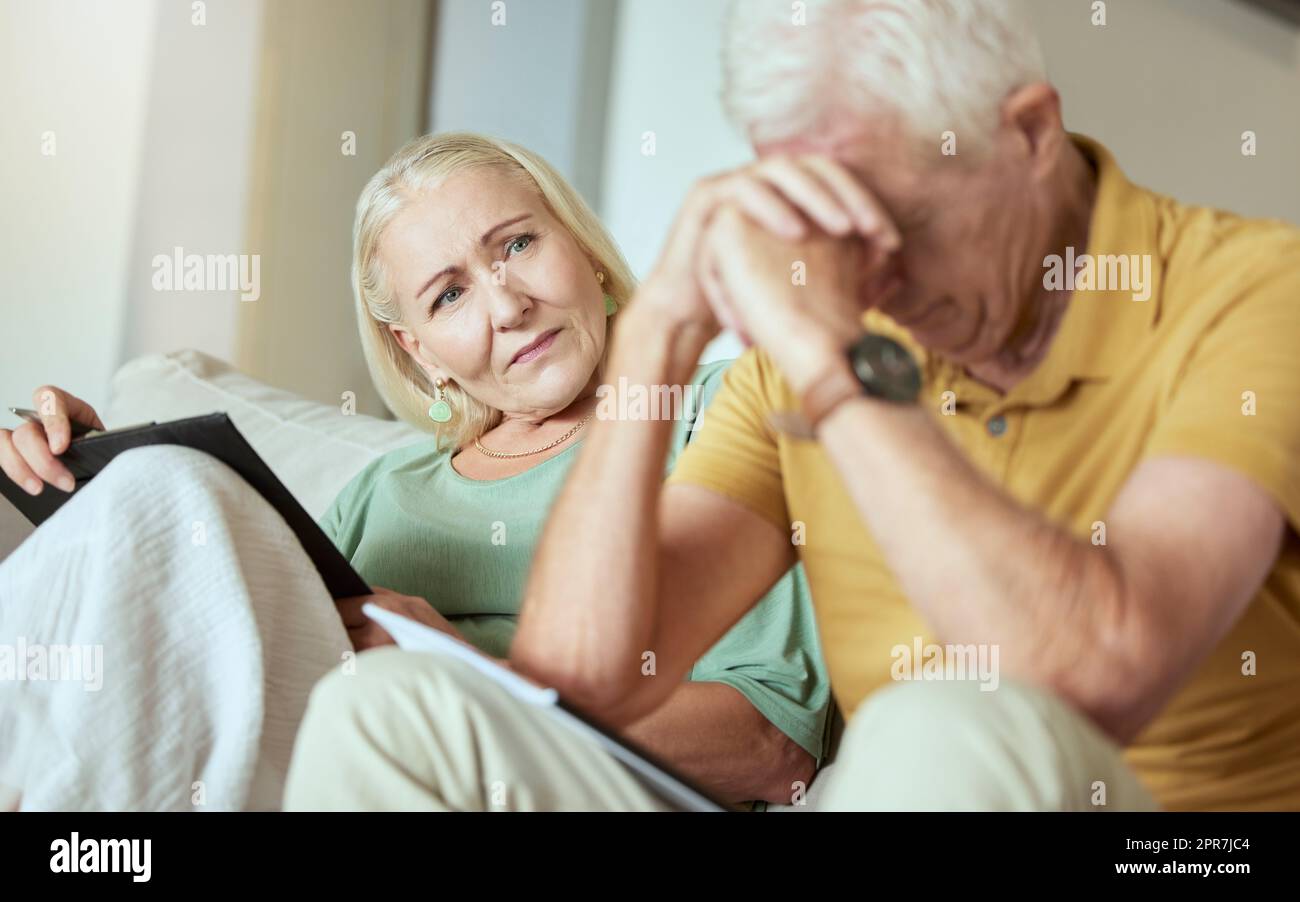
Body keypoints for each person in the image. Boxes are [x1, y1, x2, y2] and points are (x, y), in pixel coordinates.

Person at [366, 0, 1299, 811]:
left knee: (943, 723)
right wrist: (657, 328)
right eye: (828, 217)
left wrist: (839, 362)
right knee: (389, 716)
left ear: (1028, 133)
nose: (870, 272)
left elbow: (1093, 675)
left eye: (903, 220)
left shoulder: (1260, 292)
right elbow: (581, 676)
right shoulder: (786, 366)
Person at [0, 132, 835, 810]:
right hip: (327, 778)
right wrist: (100, 498)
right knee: (158, 493)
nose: (509, 306)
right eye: (448, 297)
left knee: (170, 490)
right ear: (419, 351)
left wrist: (475, 678)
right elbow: (226, 661)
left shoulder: (719, 413)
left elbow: (773, 751)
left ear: (578, 244)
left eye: (518, 244)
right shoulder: (386, 495)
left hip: (584, 785)